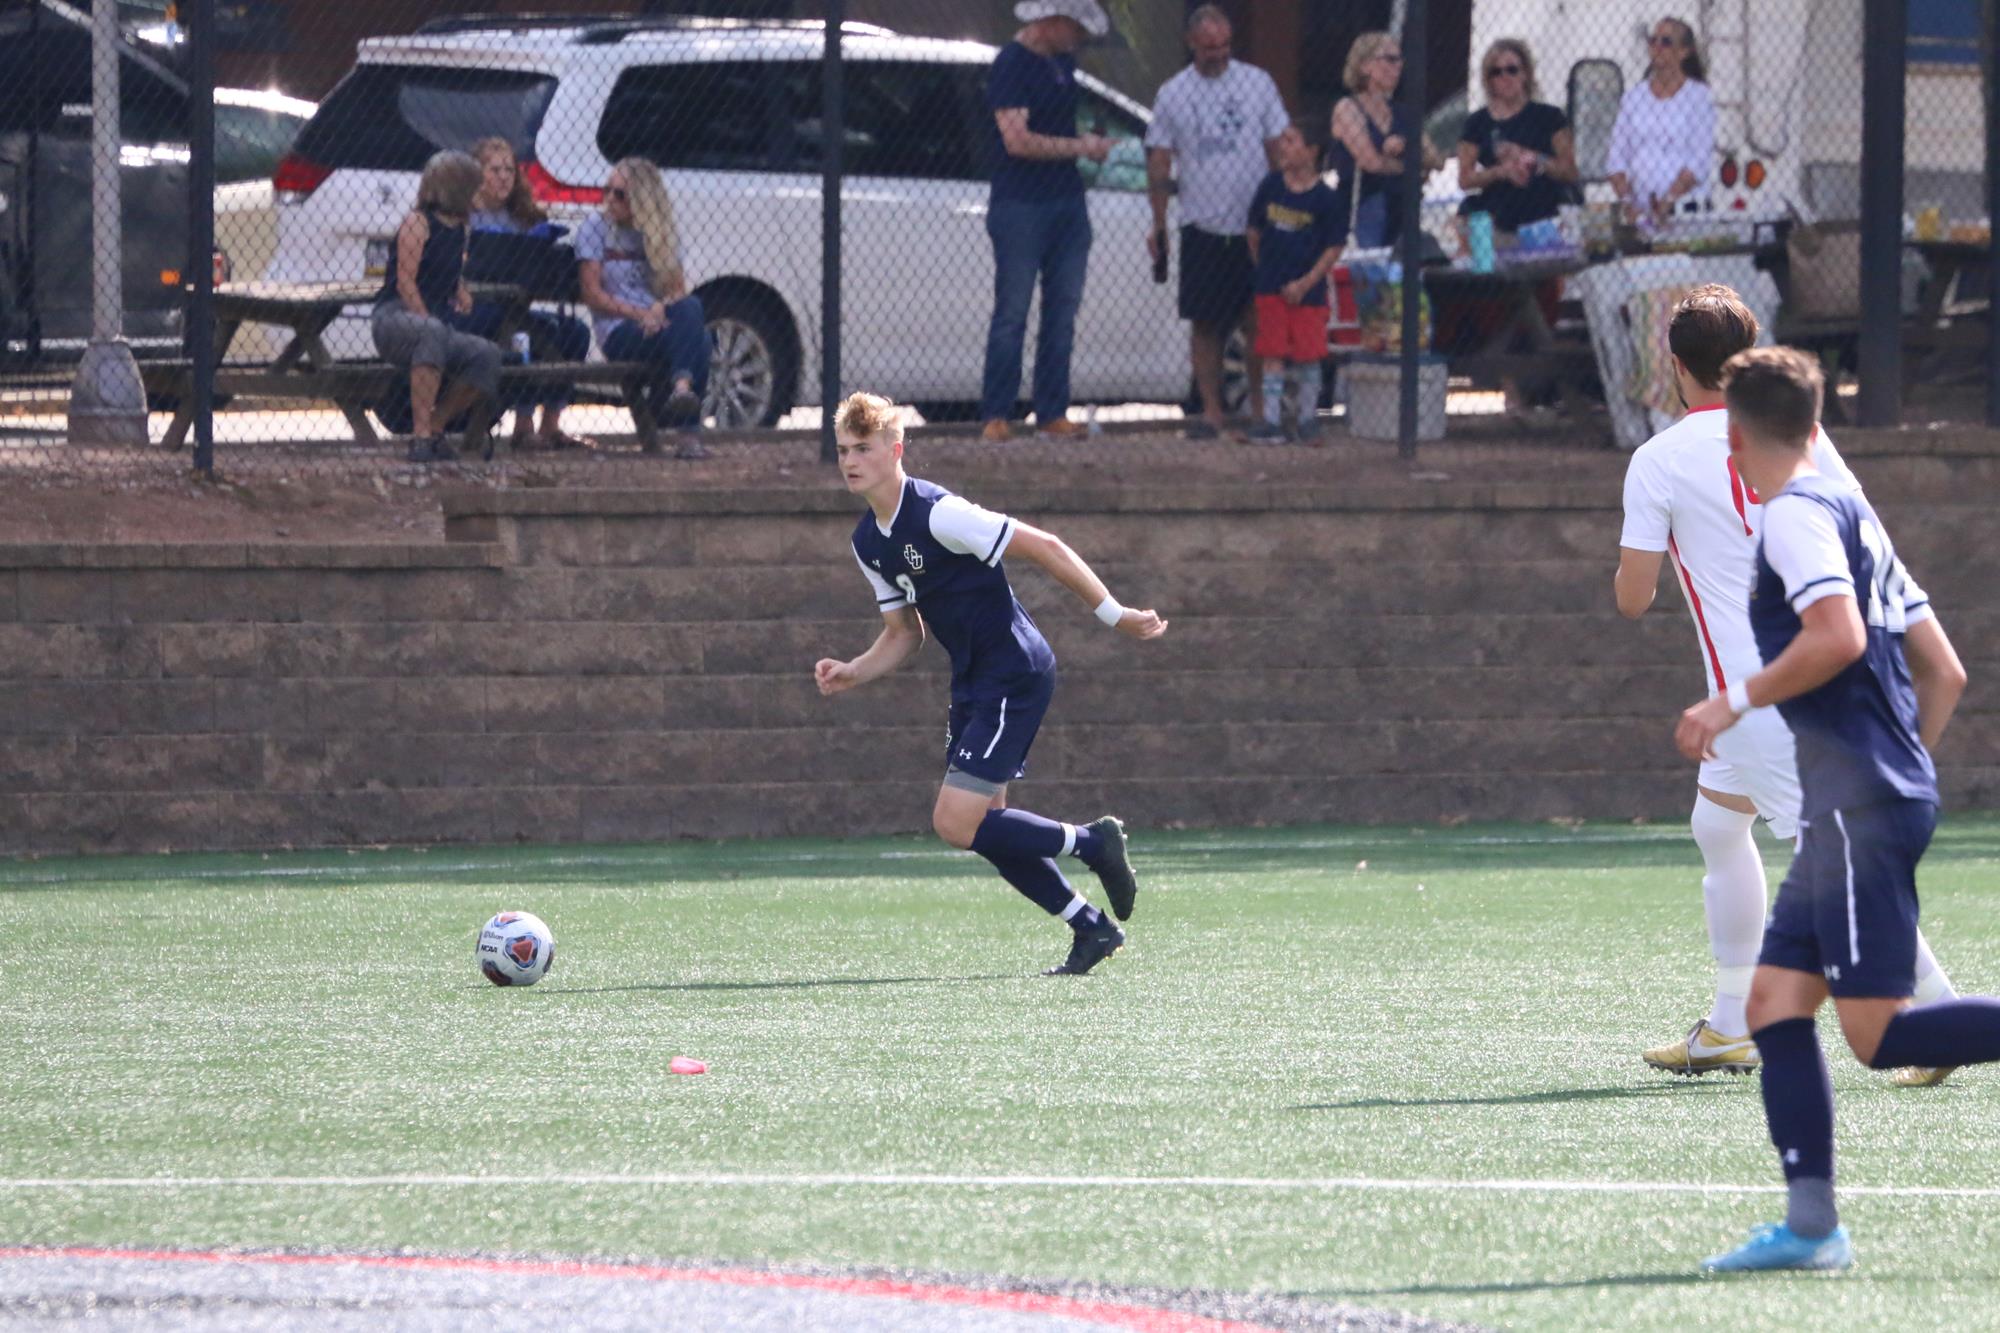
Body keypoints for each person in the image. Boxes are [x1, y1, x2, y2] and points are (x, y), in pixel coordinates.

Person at [1677, 347, 2000, 1274]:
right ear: (1817, 426)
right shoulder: (1857, 516)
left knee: (1877, 1034)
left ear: (1732, 434)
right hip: (1860, 804)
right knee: (1776, 1003)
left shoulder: (1791, 519)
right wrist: (1901, 776)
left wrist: (1733, 699)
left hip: (1858, 807)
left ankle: (1814, 1228)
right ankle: (1813, 1228)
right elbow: (1945, 668)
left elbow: (1838, 635)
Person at [1617, 285, 1960, 1087]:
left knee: (1833, 856)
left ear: (1674, 367)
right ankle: (1731, 1025)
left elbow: (1633, 598)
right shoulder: (1805, 437)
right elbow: (1863, 534)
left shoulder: (1658, 458)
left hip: (1762, 698)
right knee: (1717, 825)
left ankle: (1939, 1016)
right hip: (1772, 697)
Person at [815, 391, 1167, 975]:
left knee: (955, 822)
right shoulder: (867, 543)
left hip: (1015, 670)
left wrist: (1115, 614)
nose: (851, 460)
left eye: (865, 448)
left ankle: (1092, 843)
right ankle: (1091, 928)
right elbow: (905, 633)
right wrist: (854, 670)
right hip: (974, 681)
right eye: (844, 450)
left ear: (895, 450)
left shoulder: (937, 512)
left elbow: (1046, 547)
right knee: (986, 830)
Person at [1144, 4, 1288, 440]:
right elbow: (1160, 161)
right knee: (1204, 324)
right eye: (1208, 47)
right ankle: (1211, 413)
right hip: (1201, 224)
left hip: (1253, 227)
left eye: (1224, 45)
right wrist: (1160, 223)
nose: (1217, 54)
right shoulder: (1173, 93)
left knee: (1257, 320)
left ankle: (1262, 413)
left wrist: (1279, 211)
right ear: (1192, 44)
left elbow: (1277, 147)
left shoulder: (1256, 84)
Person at [979, 0, 1114, 444]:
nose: (1077, 39)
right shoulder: (1011, 64)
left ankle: (1051, 410)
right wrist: (1080, 147)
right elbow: (1016, 140)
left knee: (1062, 311)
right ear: (1053, 22)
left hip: (1066, 202)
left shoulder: (1063, 63)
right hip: (1021, 203)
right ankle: (997, 413)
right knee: (1013, 311)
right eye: (1073, 29)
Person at [463, 137, 594, 453]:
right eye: (495, 169)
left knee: (574, 332)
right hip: (477, 310)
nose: (504, 176)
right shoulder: (465, 216)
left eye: (510, 169)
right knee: (526, 335)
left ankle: (551, 426)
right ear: (476, 174)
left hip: (518, 307)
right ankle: (523, 427)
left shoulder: (521, 217)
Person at [575, 156, 711, 460]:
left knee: (692, 307)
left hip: (660, 324)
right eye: (607, 190)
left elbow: (676, 292)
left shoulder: (662, 234)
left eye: (620, 194)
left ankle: (680, 389)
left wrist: (659, 310)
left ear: (642, 199)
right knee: (699, 340)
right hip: (620, 330)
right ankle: (687, 425)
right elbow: (592, 294)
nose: (610, 199)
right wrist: (642, 314)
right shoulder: (595, 228)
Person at [370, 150, 501, 464]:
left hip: (436, 323)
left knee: (486, 355)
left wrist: (461, 290)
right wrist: (427, 319)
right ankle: (420, 439)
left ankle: (435, 426)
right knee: (431, 333)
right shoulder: (418, 223)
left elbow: (446, 269)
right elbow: (405, 281)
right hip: (395, 317)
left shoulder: (460, 228)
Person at [1242, 119, 1344, 445]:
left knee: (1309, 355)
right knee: (1272, 353)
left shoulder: (1326, 198)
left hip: (1309, 292)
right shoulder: (1271, 186)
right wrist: (1267, 273)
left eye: (1291, 141)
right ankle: (1271, 420)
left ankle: (1306, 418)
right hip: (1271, 289)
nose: (1282, 147)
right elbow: (1254, 232)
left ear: (1311, 151)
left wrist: (1305, 282)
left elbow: (1333, 247)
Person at [1328, 31, 1442, 251]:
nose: (1397, 66)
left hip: (1403, 207)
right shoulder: (1348, 108)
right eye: (1389, 59)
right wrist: (1413, 167)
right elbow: (1370, 162)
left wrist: (1406, 147)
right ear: (1364, 66)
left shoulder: (1405, 113)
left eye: (1399, 60)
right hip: (1365, 207)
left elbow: (1436, 159)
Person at [1455, 39, 1577, 236]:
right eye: (1497, 72)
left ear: (1525, 74)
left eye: (1512, 70)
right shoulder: (1476, 123)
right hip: (1498, 222)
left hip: (1546, 220)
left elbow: (1570, 171)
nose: (1505, 77)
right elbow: (1465, 179)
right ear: (1489, 80)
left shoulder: (1550, 117)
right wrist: (1501, 172)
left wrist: (1534, 158)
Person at [1605, 17, 1715, 225]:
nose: (1657, 47)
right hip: (1642, 214)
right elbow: (1616, 158)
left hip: (1685, 211)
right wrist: (1629, 203)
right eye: (1652, 40)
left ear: (1683, 52)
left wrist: (1667, 203)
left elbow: (1698, 160)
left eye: (1665, 42)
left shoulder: (1699, 97)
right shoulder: (1633, 98)